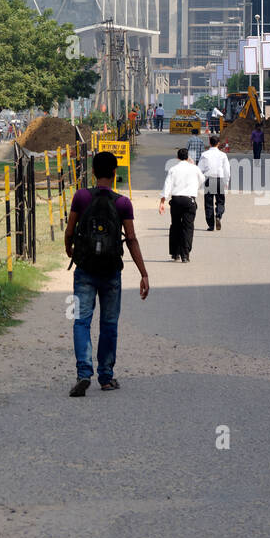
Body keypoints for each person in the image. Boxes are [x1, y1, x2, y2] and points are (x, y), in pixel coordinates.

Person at [64, 150, 149, 397]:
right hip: (111, 272)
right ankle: (106, 377)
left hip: (85, 270)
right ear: (114, 173)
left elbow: (70, 230)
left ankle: (83, 373)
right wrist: (143, 273)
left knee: (81, 322)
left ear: (92, 171)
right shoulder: (122, 203)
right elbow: (131, 239)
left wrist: (70, 250)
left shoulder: (81, 196)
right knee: (109, 324)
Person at [158, 147, 204, 262]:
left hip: (176, 200)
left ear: (177, 158)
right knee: (188, 227)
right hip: (189, 200)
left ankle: (175, 253)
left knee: (175, 225)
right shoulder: (194, 168)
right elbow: (202, 179)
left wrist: (162, 202)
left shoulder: (173, 169)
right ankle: (185, 254)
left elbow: (167, 185)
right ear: (188, 157)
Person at [198, 136, 230, 231]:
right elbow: (227, 170)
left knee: (208, 203)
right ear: (218, 143)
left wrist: (199, 182)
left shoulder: (204, 154)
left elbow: (200, 169)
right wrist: (226, 181)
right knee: (220, 201)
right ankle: (218, 216)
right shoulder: (223, 155)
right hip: (219, 179)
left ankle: (211, 225)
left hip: (209, 179)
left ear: (209, 143)